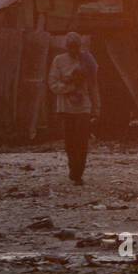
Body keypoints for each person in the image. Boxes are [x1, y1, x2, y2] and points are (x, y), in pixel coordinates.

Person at [48, 32, 100, 184]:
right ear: (66, 47)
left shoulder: (88, 61)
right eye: (71, 47)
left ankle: (78, 173)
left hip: (84, 107)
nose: (73, 50)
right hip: (66, 108)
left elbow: (93, 85)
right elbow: (53, 84)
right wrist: (70, 87)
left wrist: (96, 107)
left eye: (75, 47)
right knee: (70, 142)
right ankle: (73, 168)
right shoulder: (59, 61)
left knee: (82, 141)